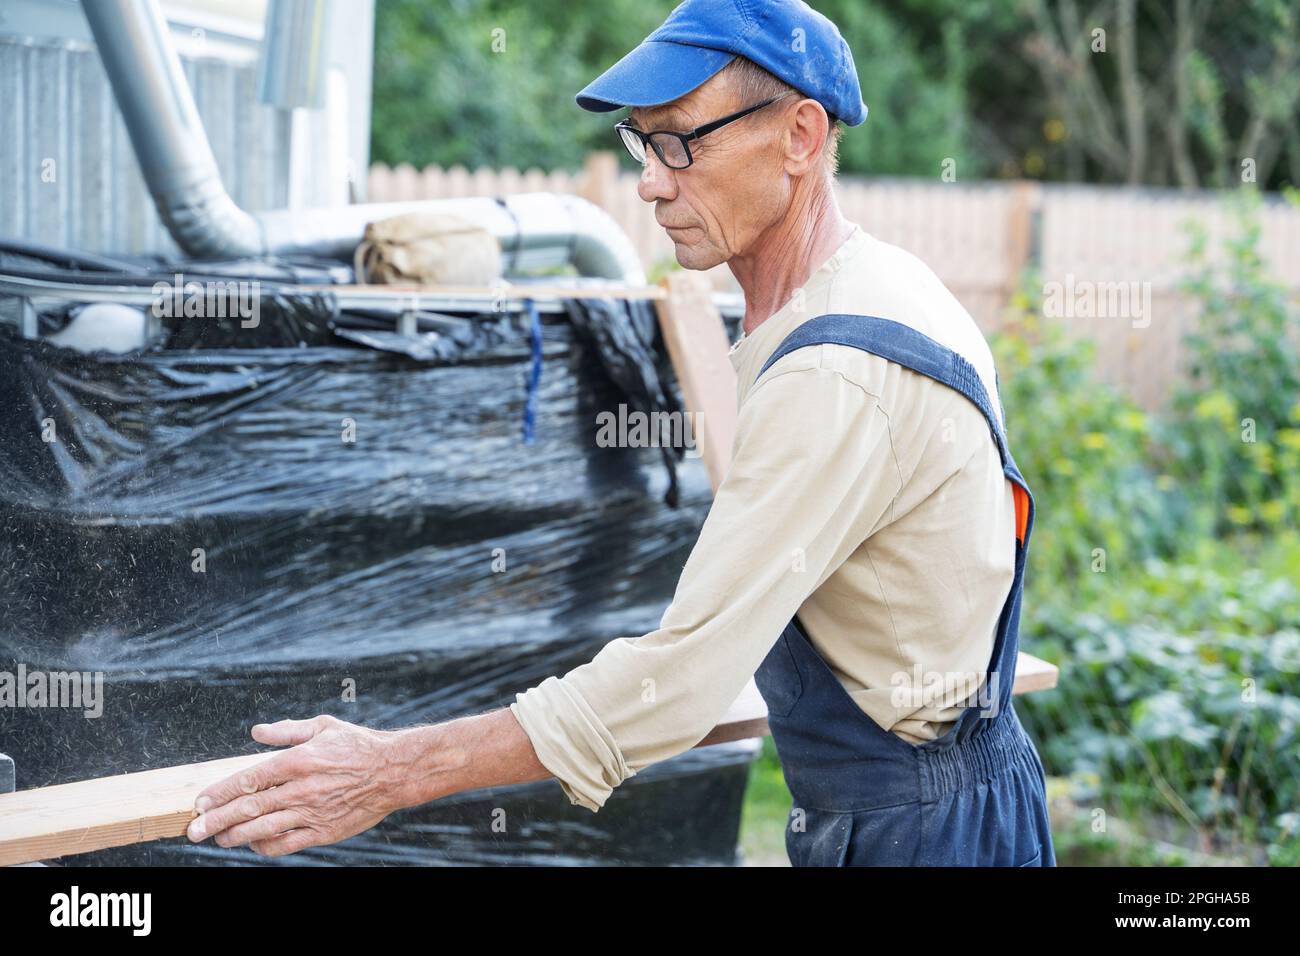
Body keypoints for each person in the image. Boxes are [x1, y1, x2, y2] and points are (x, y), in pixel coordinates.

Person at [188, 0, 1055, 867]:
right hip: (934, 796)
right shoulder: (877, 285)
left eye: (683, 141)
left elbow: (674, 686)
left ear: (799, 136)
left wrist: (386, 771)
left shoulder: (835, 373)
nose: (650, 181)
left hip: (928, 835)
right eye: (643, 143)